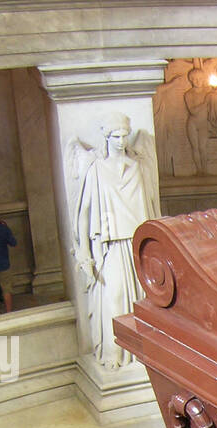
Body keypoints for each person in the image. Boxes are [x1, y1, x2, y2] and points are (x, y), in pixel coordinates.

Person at [70, 112, 159, 368]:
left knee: (145, 297)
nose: (121, 141)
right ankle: (115, 351)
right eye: (115, 136)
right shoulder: (97, 169)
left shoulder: (138, 166)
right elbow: (84, 212)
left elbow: (151, 204)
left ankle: (145, 351)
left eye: (124, 136)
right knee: (116, 296)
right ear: (106, 137)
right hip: (113, 245)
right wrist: (84, 251)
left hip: (139, 241)